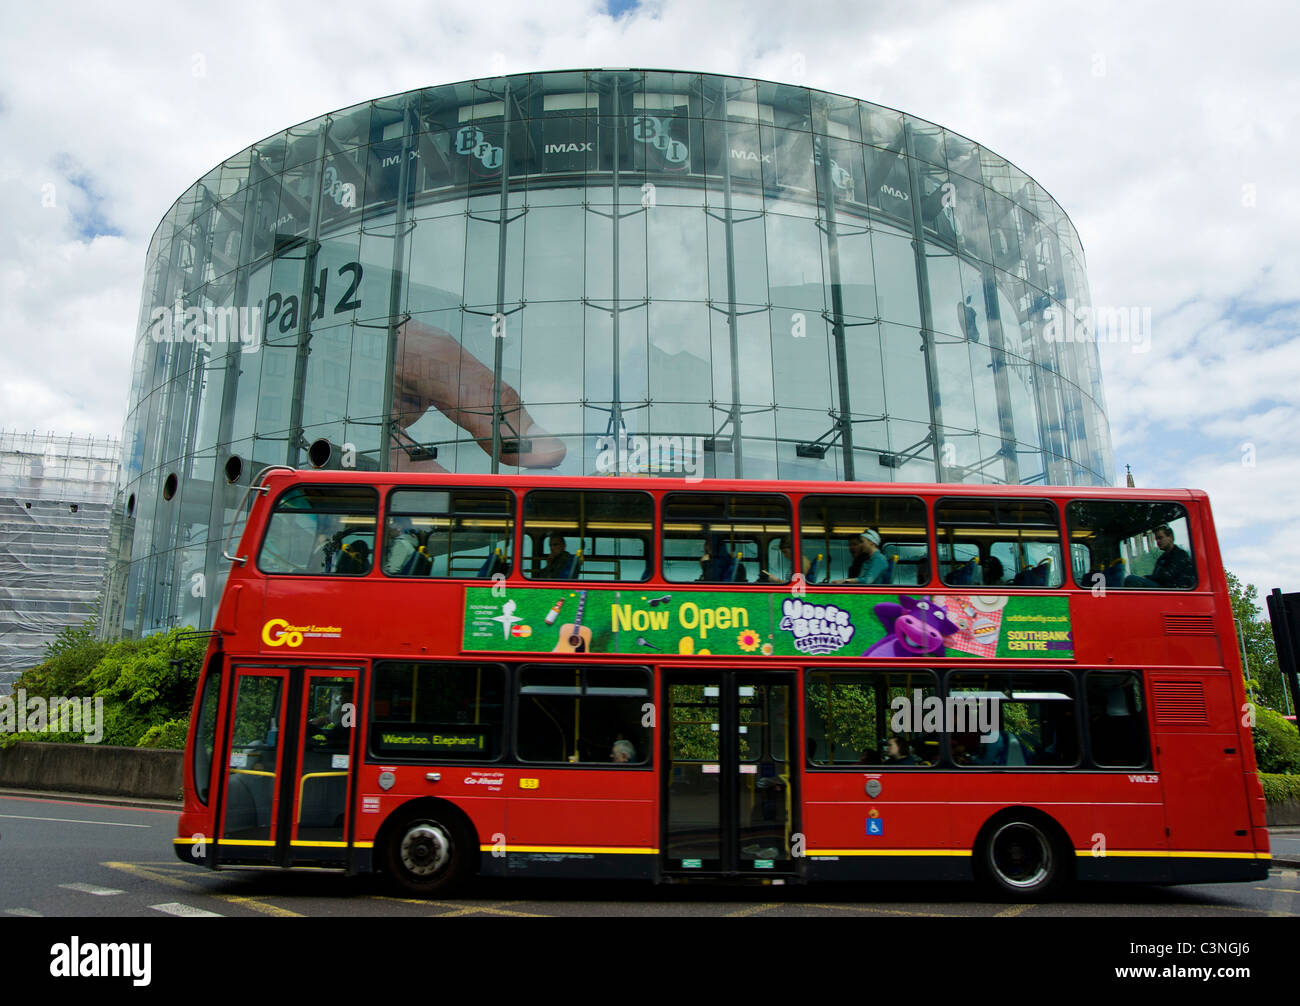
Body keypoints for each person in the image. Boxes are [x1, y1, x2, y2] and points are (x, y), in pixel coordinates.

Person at [1124, 524, 1195, 588]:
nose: (1158, 542)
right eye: (1156, 539)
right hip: (1163, 588)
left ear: (1171, 537)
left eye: (1160, 538)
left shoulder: (1180, 555)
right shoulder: (1162, 558)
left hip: (1174, 591)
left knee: (1131, 580)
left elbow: (1166, 577)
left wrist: (1147, 577)